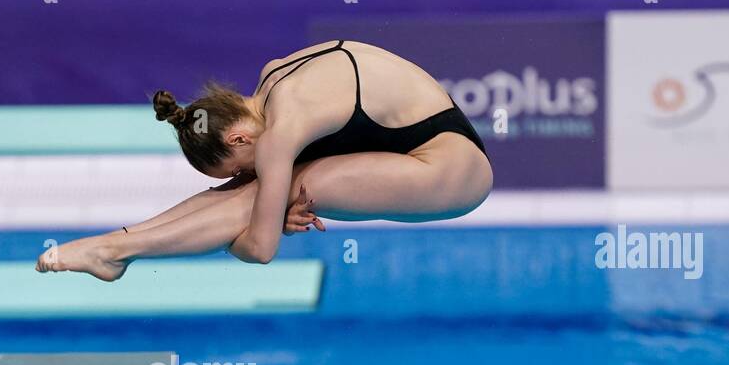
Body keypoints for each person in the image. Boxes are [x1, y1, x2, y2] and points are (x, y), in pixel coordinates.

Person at [36, 40, 492, 281]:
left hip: (452, 171)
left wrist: (259, 224)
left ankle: (114, 251)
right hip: (412, 147)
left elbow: (260, 250)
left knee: (255, 199)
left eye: (236, 167)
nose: (243, 174)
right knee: (249, 198)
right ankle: (117, 243)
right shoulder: (272, 78)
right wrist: (265, 217)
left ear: (237, 136)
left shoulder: (280, 131)